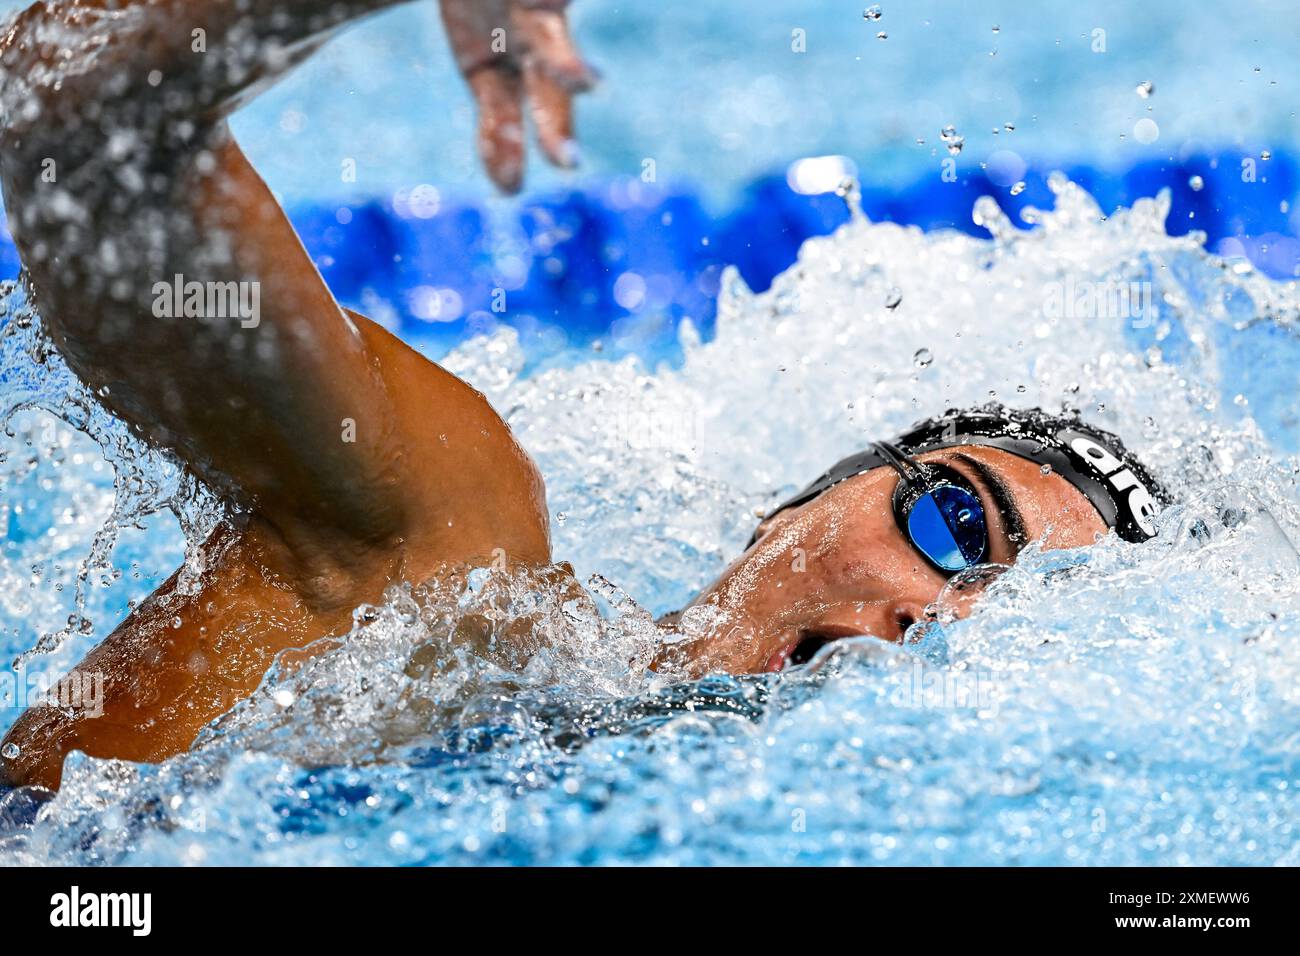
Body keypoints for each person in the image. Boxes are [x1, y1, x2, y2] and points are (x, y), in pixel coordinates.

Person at [0, 0, 1166, 791]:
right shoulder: (443, 554)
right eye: (956, 526)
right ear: (801, 501)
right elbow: (78, 120)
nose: (939, 618)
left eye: (1017, 622)